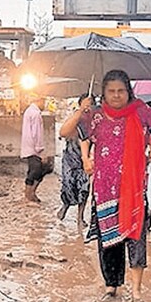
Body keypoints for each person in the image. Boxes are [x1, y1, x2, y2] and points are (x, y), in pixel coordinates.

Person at [82, 70, 151, 302]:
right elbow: (73, 133)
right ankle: (111, 286)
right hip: (104, 189)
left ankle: (136, 292)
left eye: (121, 90)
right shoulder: (96, 116)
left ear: (129, 92)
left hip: (133, 188)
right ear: (103, 93)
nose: (116, 95)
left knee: (135, 238)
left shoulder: (141, 111)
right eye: (110, 91)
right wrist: (84, 156)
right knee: (108, 241)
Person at [58, 94, 94, 226]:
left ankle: (80, 217)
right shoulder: (75, 117)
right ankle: (65, 207)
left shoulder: (92, 120)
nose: (88, 106)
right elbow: (62, 132)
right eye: (86, 103)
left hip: (86, 159)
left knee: (84, 188)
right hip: (70, 158)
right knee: (68, 185)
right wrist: (80, 113)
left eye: (90, 103)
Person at [21, 94, 50, 204]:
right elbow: (36, 133)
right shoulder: (36, 114)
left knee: (33, 170)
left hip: (28, 146)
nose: (44, 105)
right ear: (39, 101)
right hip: (34, 148)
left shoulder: (28, 111)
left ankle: (30, 194)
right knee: (39, 170)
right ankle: (30, 194)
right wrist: (40, 150)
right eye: (44, 102)